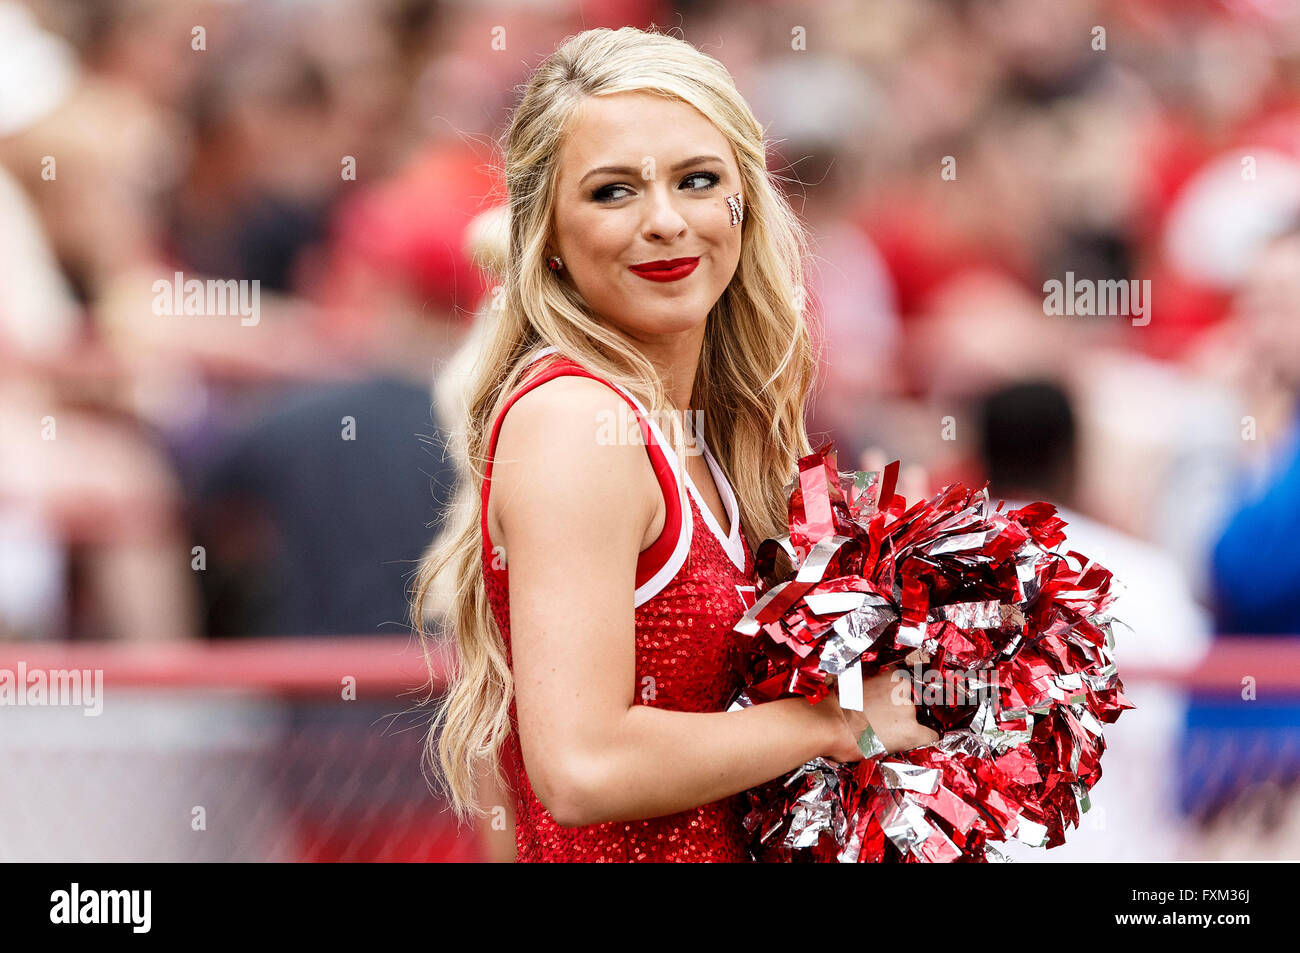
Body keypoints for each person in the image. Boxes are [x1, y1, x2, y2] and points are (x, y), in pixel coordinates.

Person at [409, 26, 937, 863]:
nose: (664, 221)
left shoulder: (708, 433)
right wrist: (841, 721)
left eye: (698, 180)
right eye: (612, 192)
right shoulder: (576, 422)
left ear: (745, 203)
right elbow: (583, 764)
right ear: (543, 228)